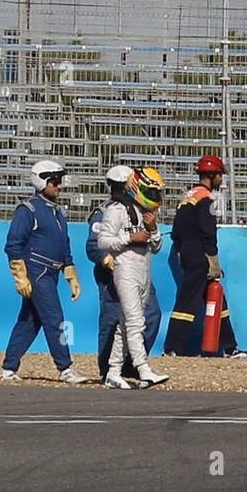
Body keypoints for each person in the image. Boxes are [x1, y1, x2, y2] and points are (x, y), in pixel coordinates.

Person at [0, 159, 85, 383]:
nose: (60, 186)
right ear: (41, 182)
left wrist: (71, 275)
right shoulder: (27, 209)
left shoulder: (58, 212)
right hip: (37, 271)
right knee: (55, 318)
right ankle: (65, 368)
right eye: (55, 182)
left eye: (60, 181)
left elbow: (64, 245)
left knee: (30, 321)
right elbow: (13, 245)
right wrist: (20, 276)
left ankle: (9, 367)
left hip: (52, 272)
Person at [93, 166, 170, 389]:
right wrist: (129, 238)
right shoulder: (115, 210)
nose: (156, 198)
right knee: (136, 321)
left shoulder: (145, 212)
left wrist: (153, 229)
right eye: (152, 192)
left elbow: (156, 247)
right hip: (124, 268)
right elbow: (103, 241)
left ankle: (113, 371)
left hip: (144, 268)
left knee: (125, 324)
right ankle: (143, 368)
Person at [164, 154, 247, 358]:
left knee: (217, 299)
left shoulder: (188, 197)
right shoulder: (207, 199)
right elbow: (208, 231)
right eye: (220, 175)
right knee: (187, 302)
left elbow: (176, 232)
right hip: (200, 255)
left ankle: (230, 347)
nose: (221, 179)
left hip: (186, 251)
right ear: (212, 175)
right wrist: (212, 260)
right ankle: (173, 348)